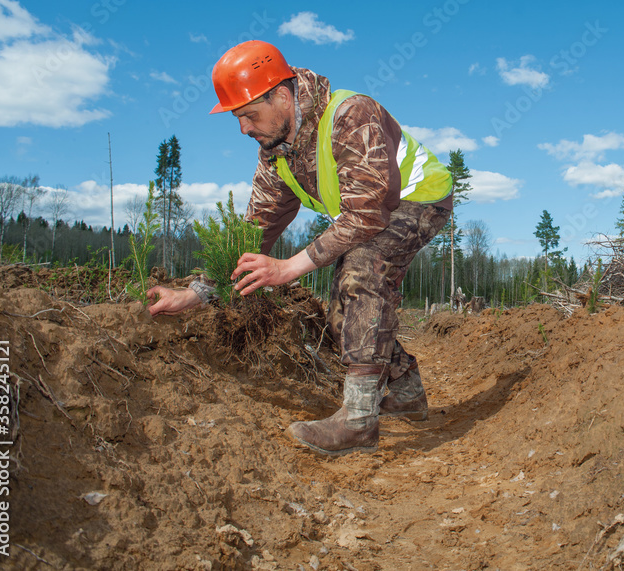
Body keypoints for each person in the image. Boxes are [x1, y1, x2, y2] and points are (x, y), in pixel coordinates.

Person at [146, 40, 452, 456]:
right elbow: (255, 230)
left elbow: (368, 215)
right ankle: (406, 391)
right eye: (237, 119)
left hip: (419, 199)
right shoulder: (276, 154)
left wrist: (288, 268)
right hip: (374, 211)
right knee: (342, 312)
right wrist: (195, 292)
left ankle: (360, 421)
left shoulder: (350, 115)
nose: (244, 129)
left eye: (249, 115)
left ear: (283, 97)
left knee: (363, 268)